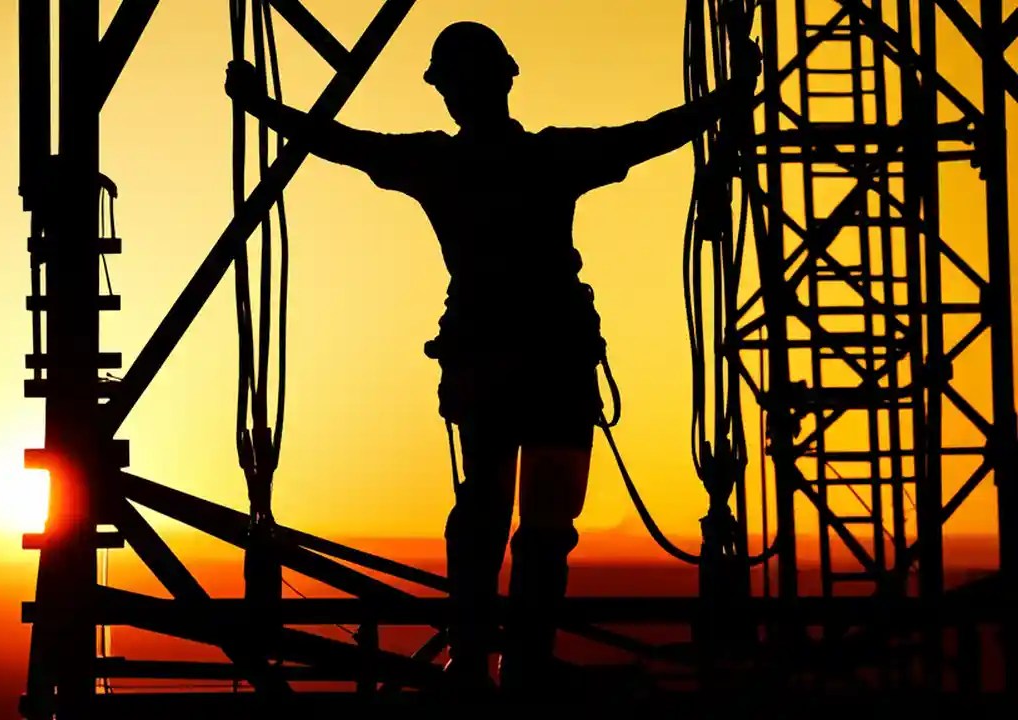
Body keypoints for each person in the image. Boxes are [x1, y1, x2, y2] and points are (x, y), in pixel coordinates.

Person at [225, 20, 761, 697]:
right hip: (553, 367)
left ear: (448, 91)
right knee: (539, 526)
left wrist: (259, 105)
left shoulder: (441, 165)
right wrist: (730, 95)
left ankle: (479, 662)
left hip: (495, 367)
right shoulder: (547, 159)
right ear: (507, 77)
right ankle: (519, 664)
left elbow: (338, 143)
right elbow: (648, 135)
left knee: (487, 517)